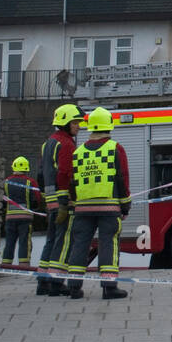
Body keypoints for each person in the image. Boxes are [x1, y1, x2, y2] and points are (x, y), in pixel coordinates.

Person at [63, 107, 131, 300]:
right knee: (108, 243)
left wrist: (74, 203)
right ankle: (109, 288)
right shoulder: (114, 148)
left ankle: (74, 287)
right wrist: (125, 206)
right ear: (109, 125)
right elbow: (122, 178)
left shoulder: (79, 151)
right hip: (109, 207)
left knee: (80, 245)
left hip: (82, 208)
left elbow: (72, 181)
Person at [36, 103, 82, 295]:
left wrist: (46, 197)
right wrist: (69, 198)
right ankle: (56, 283)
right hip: (64, 201)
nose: (78, 126)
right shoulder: (66, 144)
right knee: (63, 242)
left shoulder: (48, 143)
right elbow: (66, 173)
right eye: (75, 122)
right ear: (65, 123)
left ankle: (43, 282)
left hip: (51, 200)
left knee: (51, 240)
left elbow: (40, 174)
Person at [1, 156, 35, 268]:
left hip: (10, 218)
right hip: (25, 218)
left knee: (9, 242)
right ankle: (24, 266)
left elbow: (2, 199)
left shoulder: (6, 182)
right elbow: (36, 200)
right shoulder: (30, 182)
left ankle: (6, 265)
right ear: (26, 169)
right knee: (25, 242)